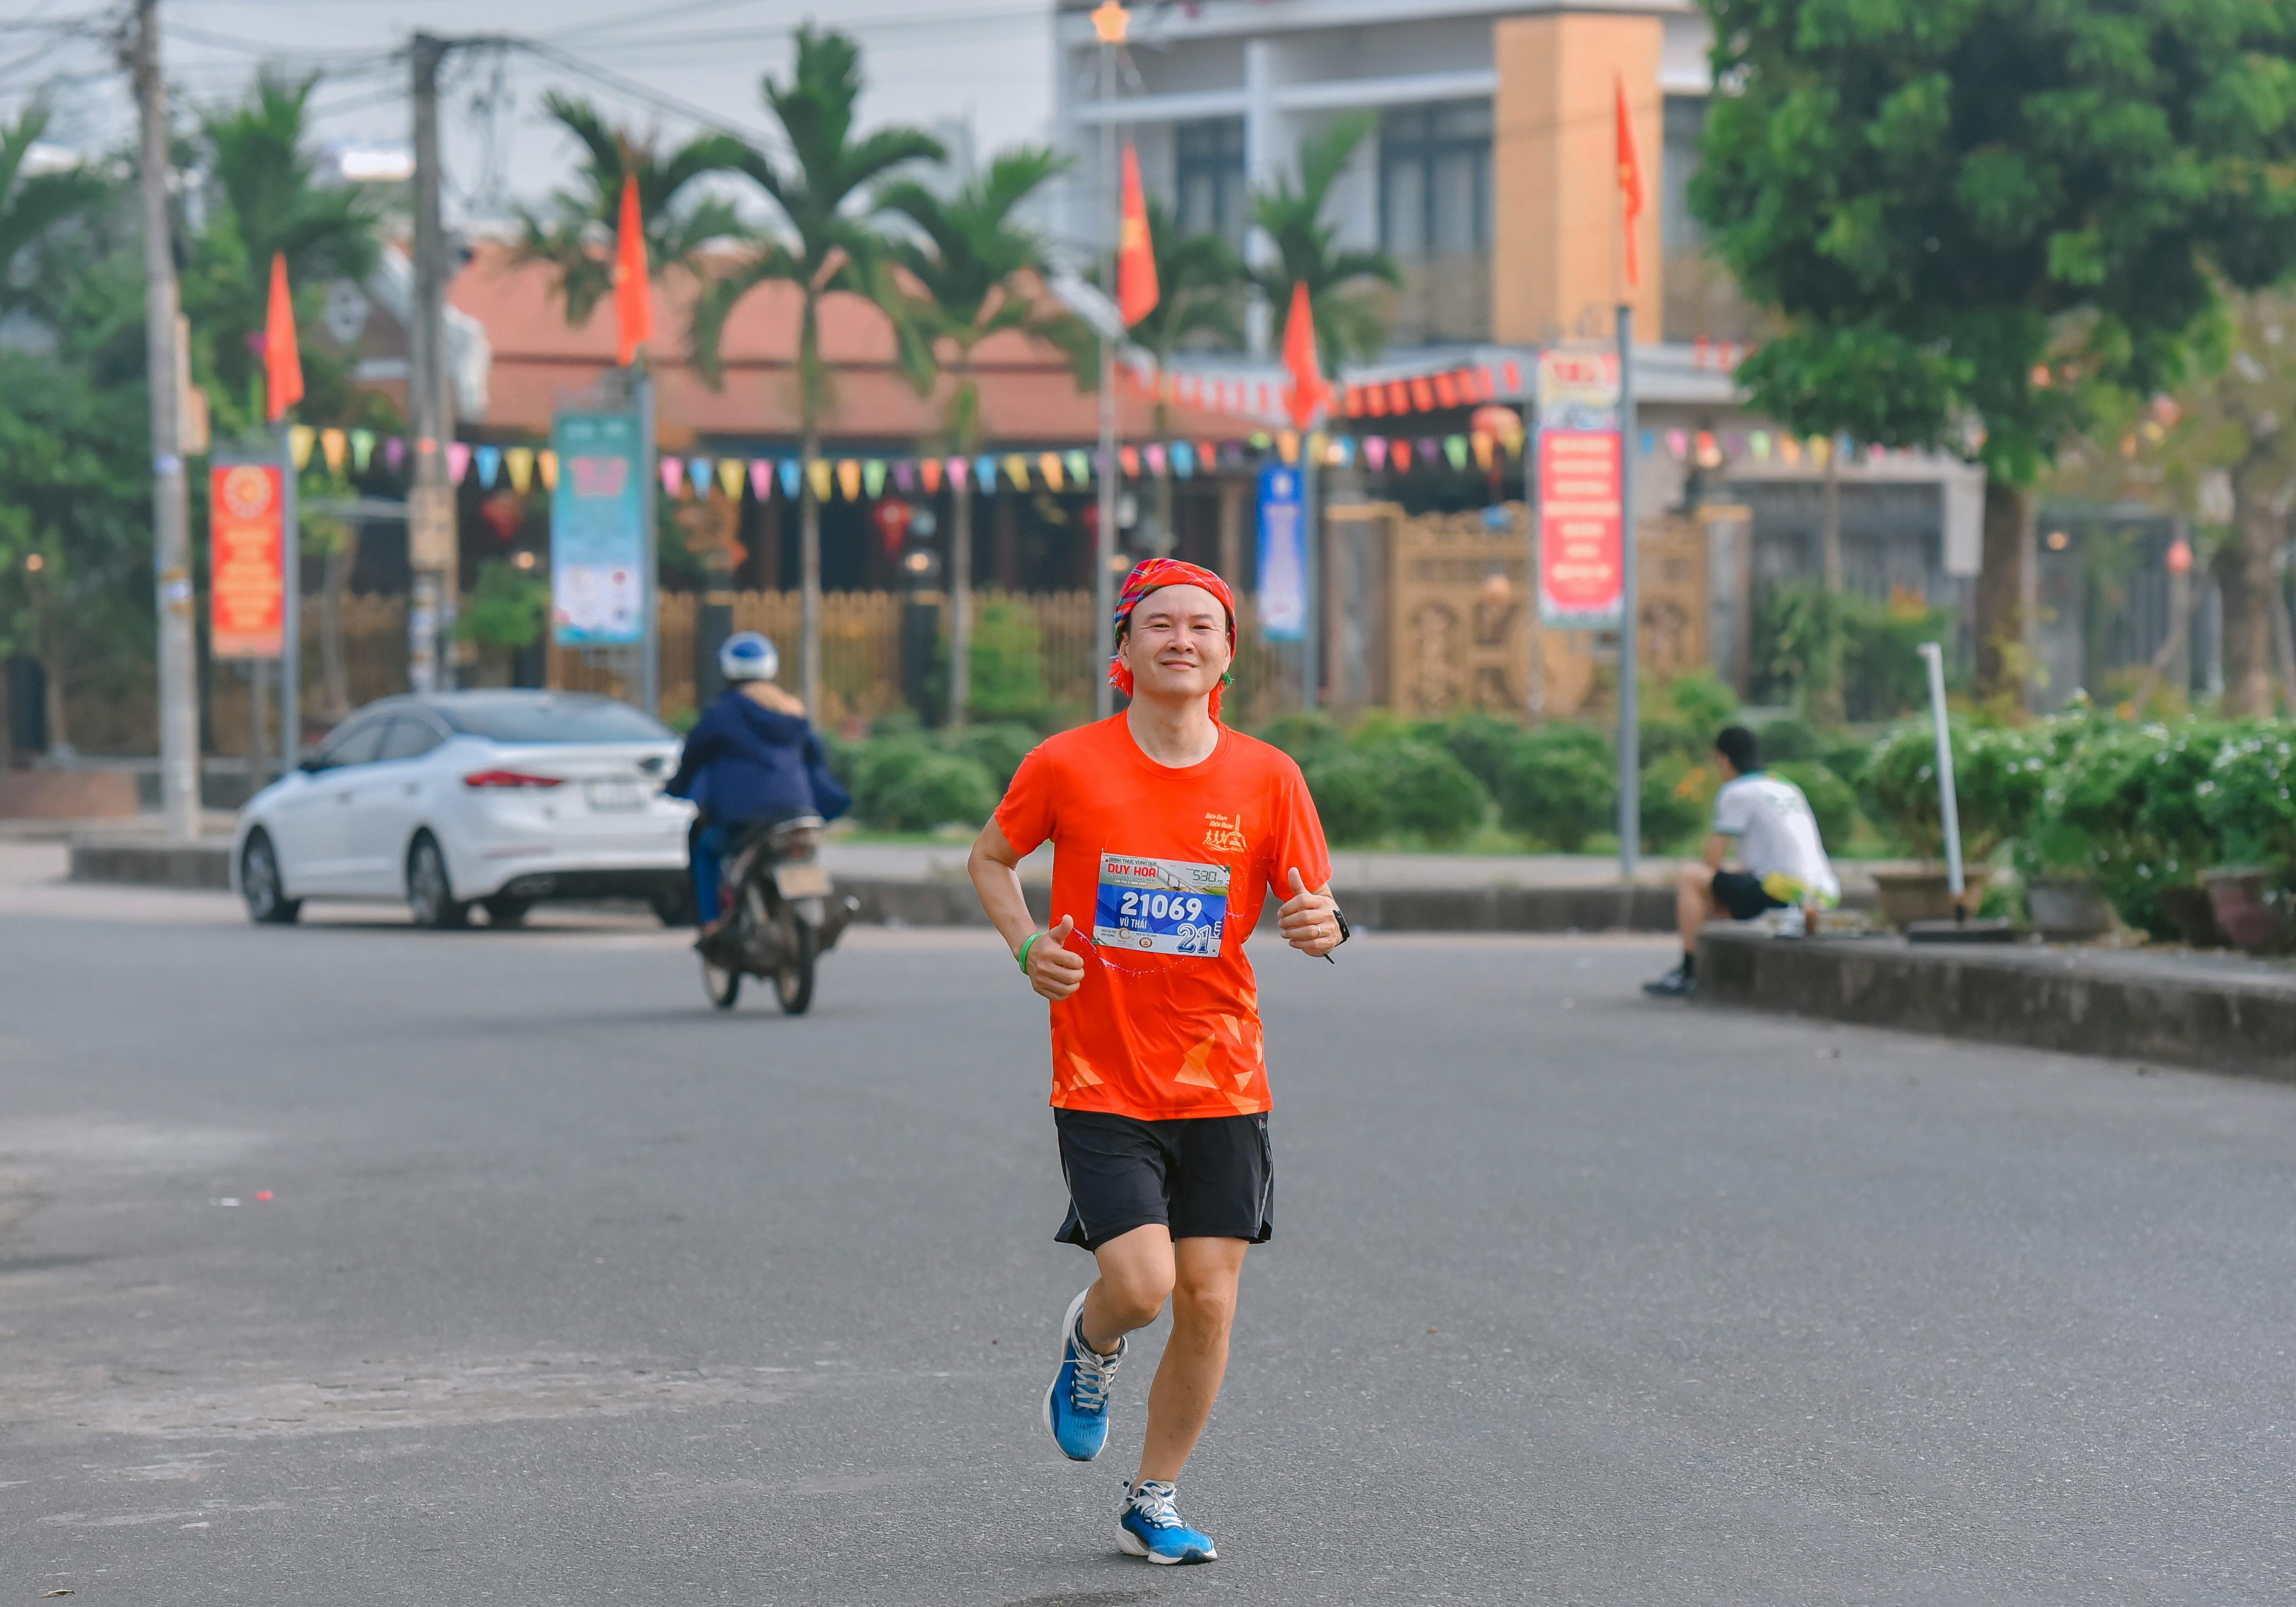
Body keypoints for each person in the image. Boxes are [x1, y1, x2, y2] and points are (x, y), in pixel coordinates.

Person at [966, 558, 1345, 1567]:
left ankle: (1155, 1496)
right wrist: (1025, 947)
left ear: (1228, 654)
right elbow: (990, 859)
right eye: (1159, 624)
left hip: (1223, 1078)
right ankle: (1090, 1348)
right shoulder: (1067, 763)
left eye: (1202, 626)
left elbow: (1314, 902)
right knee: (1140, 1286)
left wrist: (1319, 922)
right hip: (1100, 1074)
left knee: (1211, 1298)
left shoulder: (1268, 776)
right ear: (1122, 653)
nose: (1182, 638)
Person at [665, 632, 849, 939]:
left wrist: (676, 786)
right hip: (797, 811)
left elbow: (693, 755)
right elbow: (816, 760)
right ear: (771, 668)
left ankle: (711, 925)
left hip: (742, 818)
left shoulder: (722, 713)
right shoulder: (793, 710)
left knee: (706, 852)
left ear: (727, 670)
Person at [1644, 724, 1839, 998]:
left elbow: (1712, 860)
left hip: (1784, 893)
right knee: (1723, 877)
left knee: (1690, 876)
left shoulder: (1737, 791)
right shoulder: (1785, 787)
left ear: (1723, 759)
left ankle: (1690, 970)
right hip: (1821, 893)